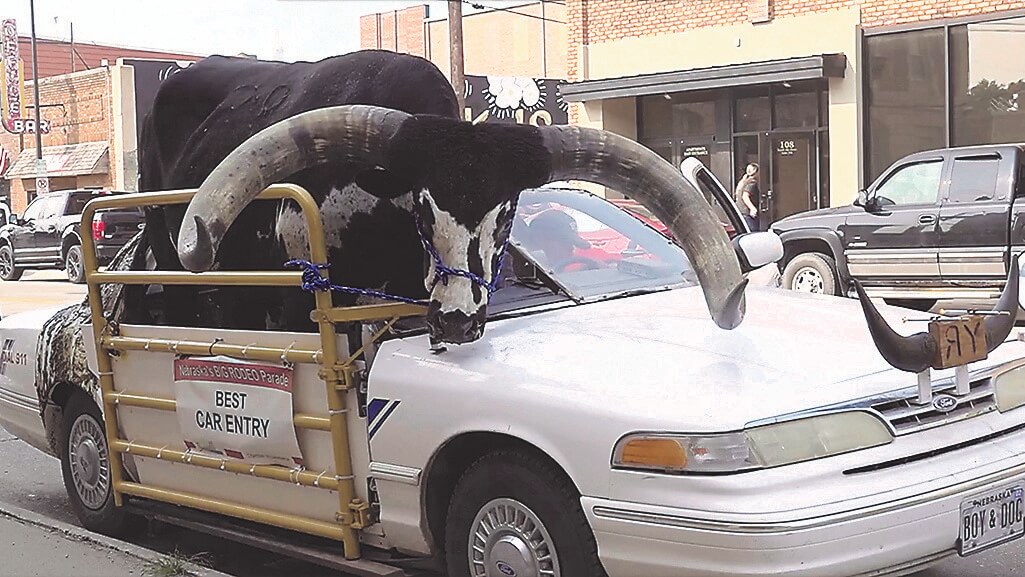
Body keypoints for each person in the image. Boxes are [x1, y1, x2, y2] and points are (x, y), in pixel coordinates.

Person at [735, 162, 761, 232]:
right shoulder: (752, 183)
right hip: (748, 213)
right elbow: (745, 196)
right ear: (757, 172)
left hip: (742, 212)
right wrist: (753, 208)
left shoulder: (743, 182)